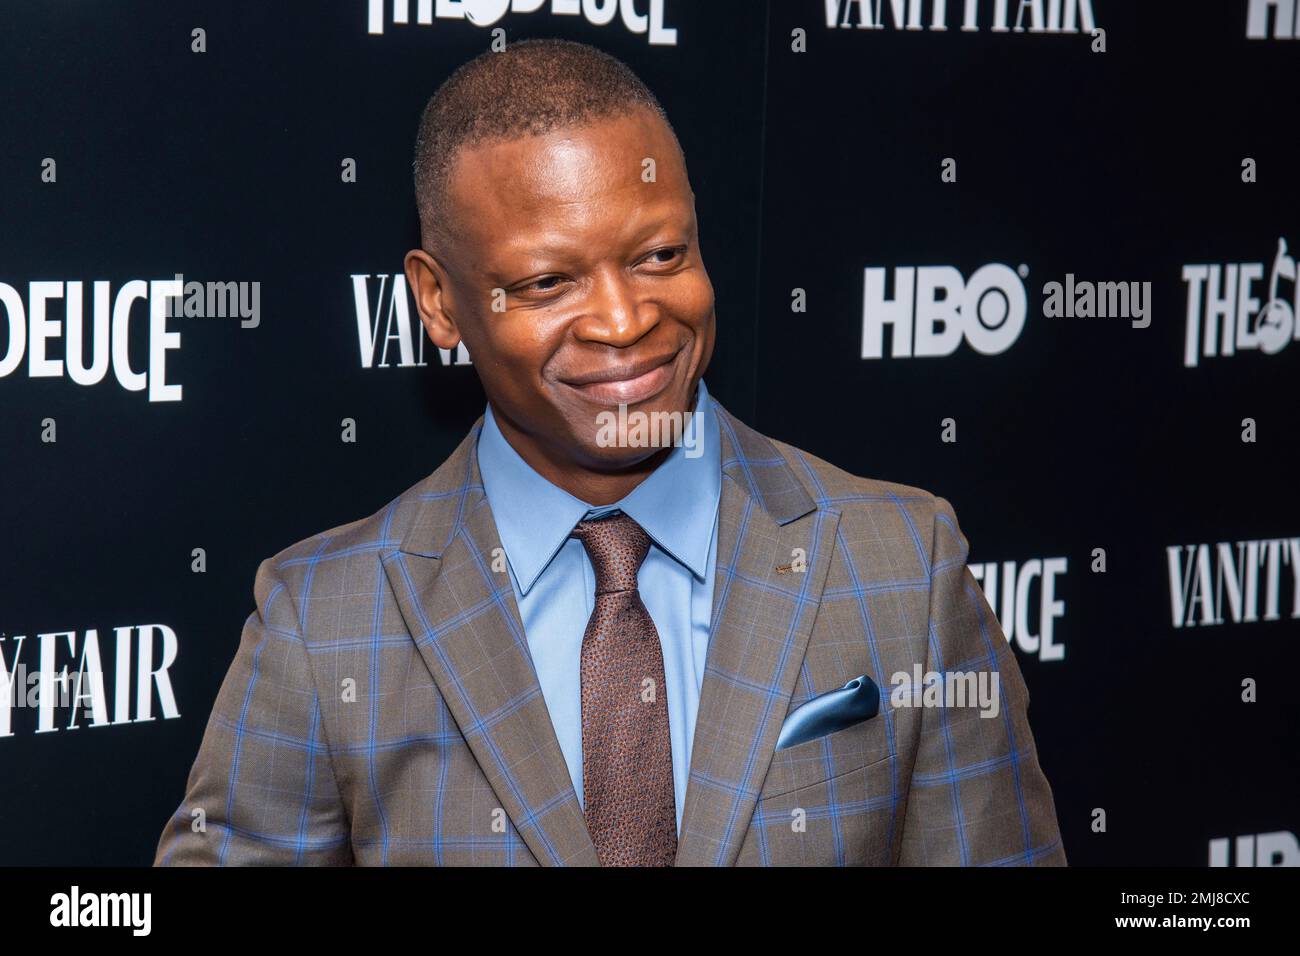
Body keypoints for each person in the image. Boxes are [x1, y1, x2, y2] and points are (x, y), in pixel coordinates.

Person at [154, 38, 1065, 867]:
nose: (626, 321)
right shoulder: (325, 622)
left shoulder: (904, 565)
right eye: (548, 280)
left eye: (660, 254)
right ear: (437, 302)